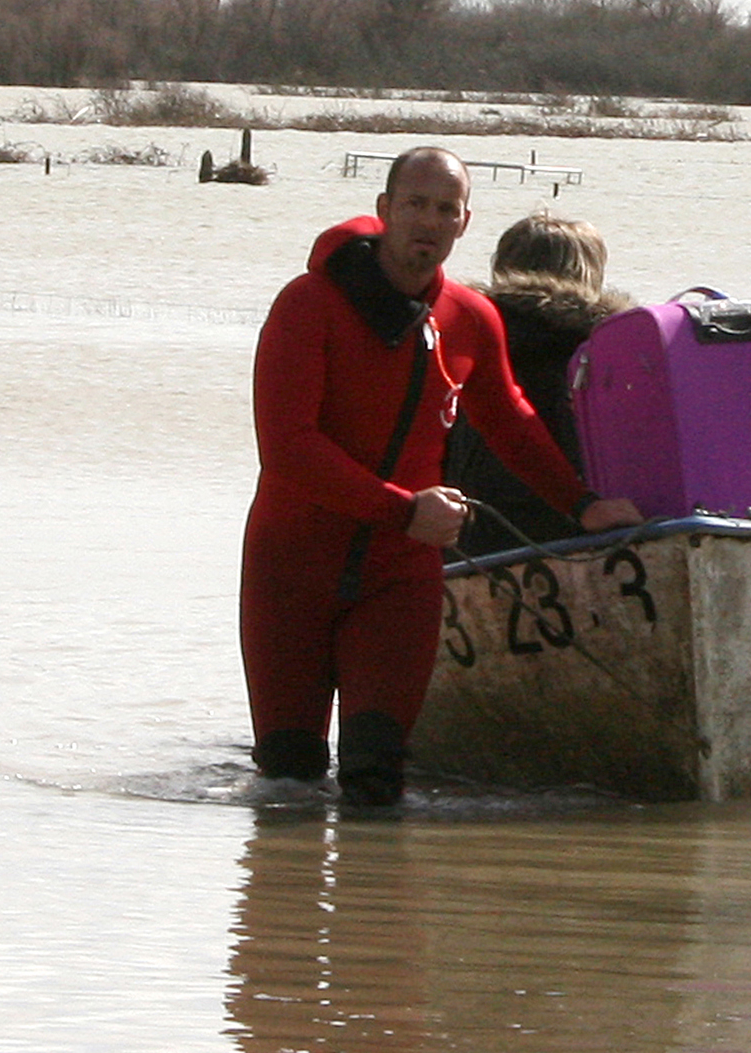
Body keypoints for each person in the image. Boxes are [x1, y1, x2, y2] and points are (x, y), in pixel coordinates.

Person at [240, 147, 641, 806]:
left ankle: (375, 910)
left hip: (398, 575)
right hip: (292, 567)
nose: (427, 221)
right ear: (383, 211)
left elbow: (509, 421)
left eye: (444, 209)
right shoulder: (307, 304)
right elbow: (287, 449)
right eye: (414, 204)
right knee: (289, 782)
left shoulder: (470, 319)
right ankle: (286, 907)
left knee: (377, 780)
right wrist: (403, 509)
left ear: (464, 223)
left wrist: (583, 504)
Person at [447, 210, 632, 552]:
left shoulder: (460, 347)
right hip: (572, 543)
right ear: (590, 279)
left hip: (466, 547)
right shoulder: (601, 365)